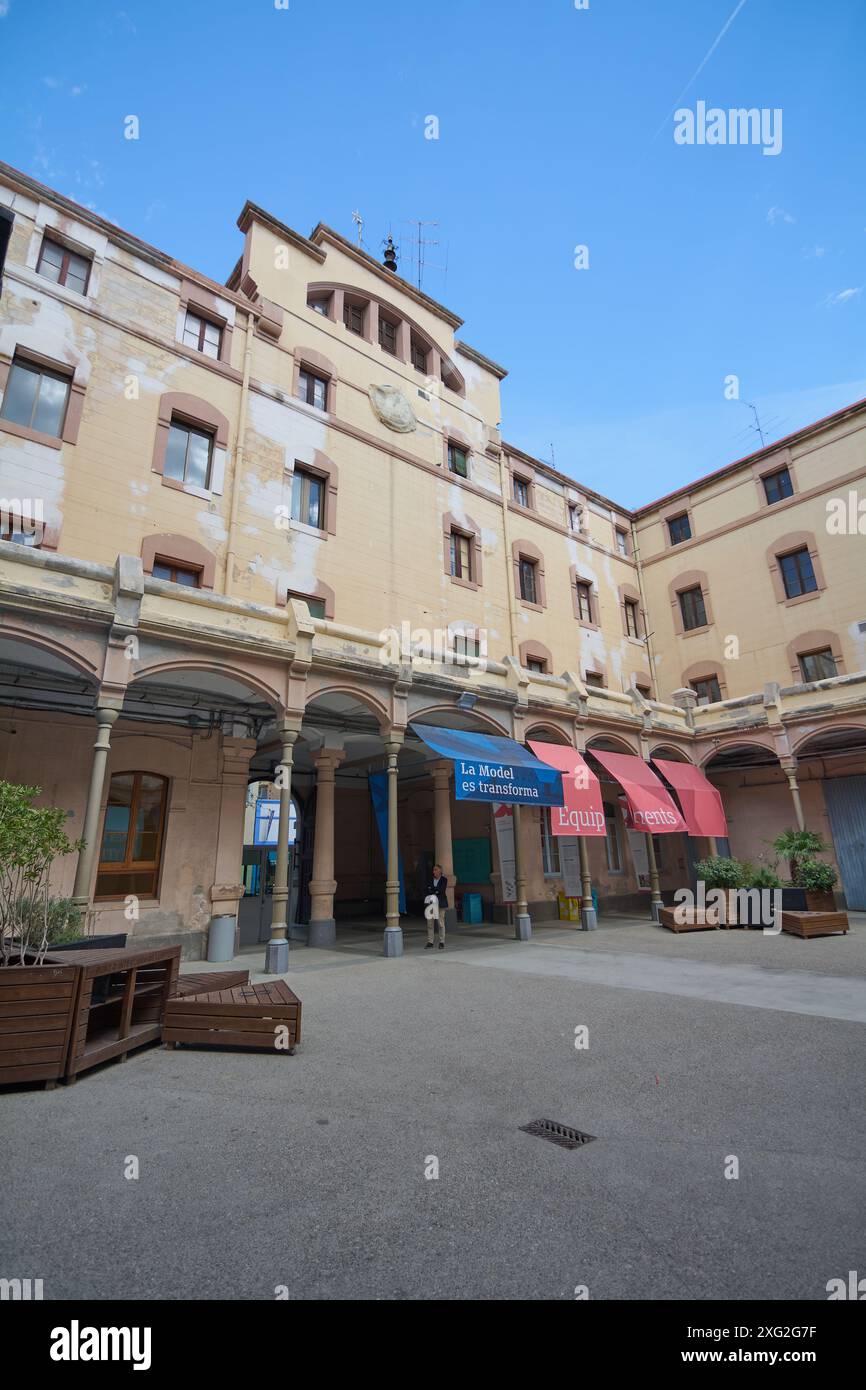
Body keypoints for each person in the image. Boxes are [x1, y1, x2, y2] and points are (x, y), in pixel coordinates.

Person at [425, 863, 448, 950]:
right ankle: (430, 942)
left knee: (440, 923)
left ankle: (441, 942)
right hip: (430, 904)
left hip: (440, 904)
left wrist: (433, 890)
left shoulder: (444, 880)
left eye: (435, 870)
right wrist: (435, 891)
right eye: (433, 870)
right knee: (429, 923)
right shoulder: (430, 880)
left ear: (440, 871)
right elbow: (426, 889)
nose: (434, 871)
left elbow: (441, 890)